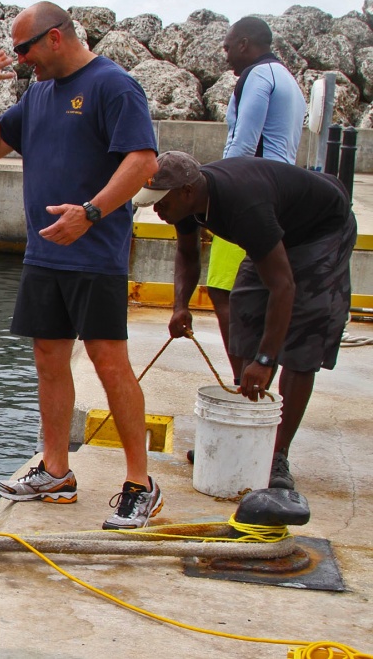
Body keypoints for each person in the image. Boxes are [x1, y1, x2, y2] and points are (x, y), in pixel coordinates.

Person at [0, 2, 162, 530]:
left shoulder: (113, 85)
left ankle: (139, 483)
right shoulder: (37, 94)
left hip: (95, 253)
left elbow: (143, 160)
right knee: (48, 358)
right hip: (44, 253)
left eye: (25, 49)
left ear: (54, 38)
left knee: (109, 361)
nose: (21, 60)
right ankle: (56, 470)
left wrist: (92, 213)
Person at [136, 151, 356, 490]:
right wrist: (180, 305)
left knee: (302, 338)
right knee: (244, 308)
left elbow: (283, 286)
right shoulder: (182, 203)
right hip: (277, 231)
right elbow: (188, 253)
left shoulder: (244, 207)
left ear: (186, 192)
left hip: (321, 232)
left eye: (160, 203)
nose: (156, 210)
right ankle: (248, 433)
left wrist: (265, 360)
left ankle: (277, 454)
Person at [206, 16, 306, 385]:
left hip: (249, 195)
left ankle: (244, 381)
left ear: (246, 44)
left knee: (223, 290)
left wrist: (213, 185)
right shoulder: (289, 80)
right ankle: (254, 373)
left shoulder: (257, 77)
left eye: (229, 46)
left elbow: (243, 144)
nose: (226, 54)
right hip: (280, 191)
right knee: (262, 291)